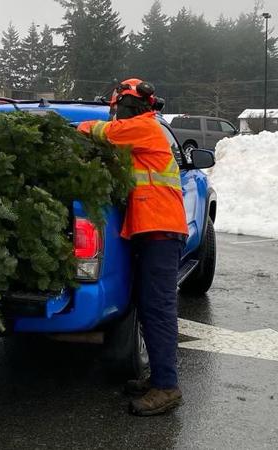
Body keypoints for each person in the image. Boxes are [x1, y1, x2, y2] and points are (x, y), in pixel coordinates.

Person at [78, 78, 188, 416]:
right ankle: (158, 377)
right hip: (152, 229)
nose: (116, 115)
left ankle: (167, 387)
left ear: (128, 106)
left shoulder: (143, 129)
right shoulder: (143, 131)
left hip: (160, 230)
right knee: (149, 304)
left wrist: (76, 126)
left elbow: (104, 133)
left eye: (117, 108)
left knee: (158, 309)